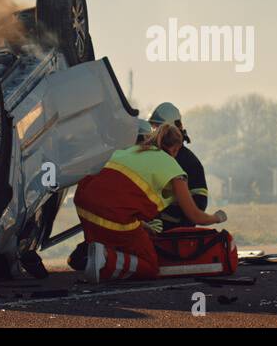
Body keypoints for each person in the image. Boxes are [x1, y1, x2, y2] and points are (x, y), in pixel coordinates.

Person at [74, 124, 226, 282]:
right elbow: (195, 216)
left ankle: (98, 252)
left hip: (84, 203)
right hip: (112, 215)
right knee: (151, 266)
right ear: (176, 148)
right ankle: (106, 258)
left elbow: (121, 192)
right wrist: (216, 217)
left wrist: (143, 226)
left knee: (128, 235)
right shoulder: (174, 169)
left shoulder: (132, 151)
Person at [147, 102, 210, 231]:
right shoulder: (157, 154)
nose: (155, 132)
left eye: (157, 127)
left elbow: (199, 203)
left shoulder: (188, 161)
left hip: (174, 228)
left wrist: (165, 213)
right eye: (153, 127)